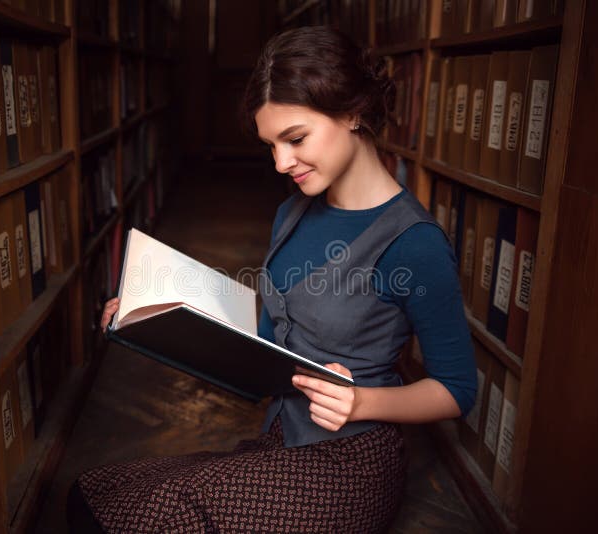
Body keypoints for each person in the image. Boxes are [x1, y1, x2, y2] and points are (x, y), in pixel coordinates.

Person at [68, 26, 476, 533]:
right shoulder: (292, 212)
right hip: (281, 434)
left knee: (135, 519)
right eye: (271, 145)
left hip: (350, 463)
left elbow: (457, 390)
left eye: (296, 138)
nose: (282, 162)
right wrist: (158, 317)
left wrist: (363, 402)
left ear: (352, 112)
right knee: (95, 493)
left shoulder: (415, 243)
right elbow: (271, 339)